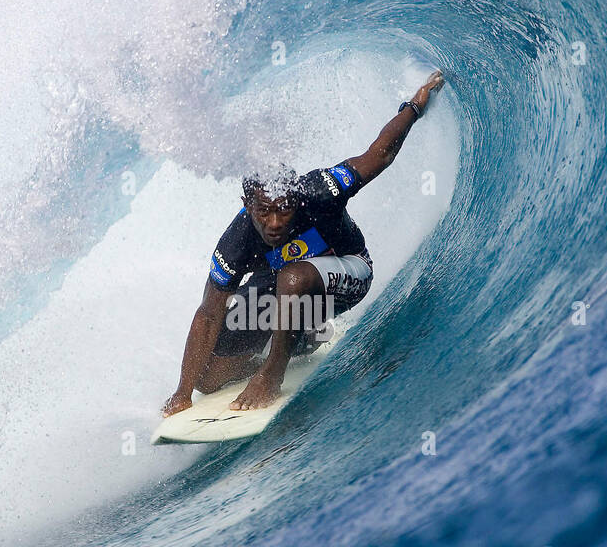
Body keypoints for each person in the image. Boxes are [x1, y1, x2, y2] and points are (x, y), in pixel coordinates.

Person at [161, 70, 445, 416]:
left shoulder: (320, 191)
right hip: (286, 293)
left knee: (293, 277)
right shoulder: (236, 242)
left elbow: (379, 154)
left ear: (296, 196)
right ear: (247, 204)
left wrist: (414, 106)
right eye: (264, 212)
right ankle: (303, 340)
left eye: (285, 209)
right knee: (208, 375)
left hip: (348, 271)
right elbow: (207, 315)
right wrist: (182, 394)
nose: (276, 222)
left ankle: (271, 375)